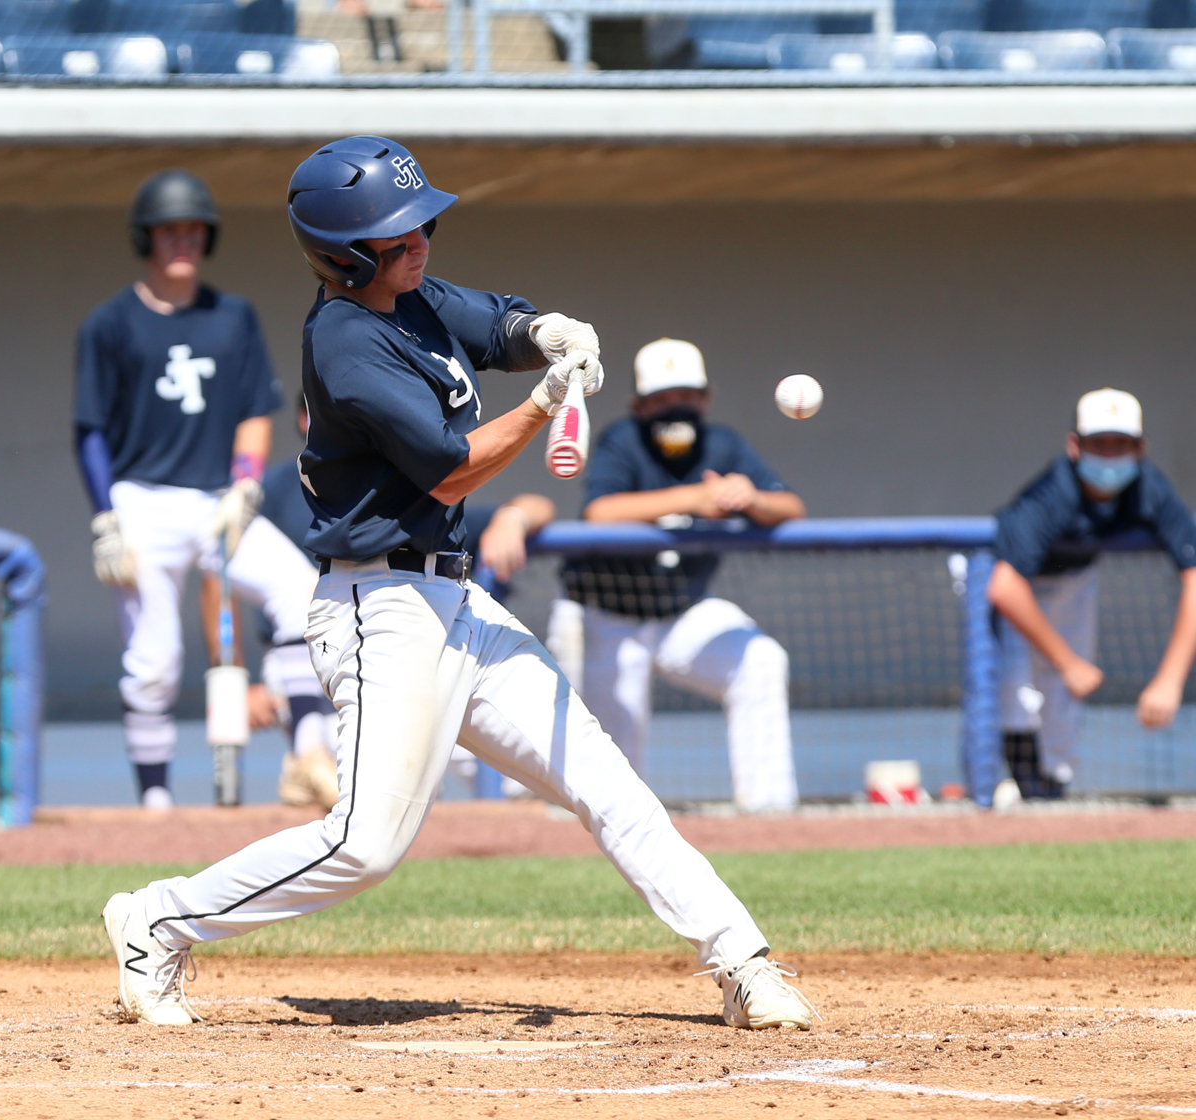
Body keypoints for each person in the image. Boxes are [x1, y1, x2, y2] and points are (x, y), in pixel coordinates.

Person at [102, 136, 818, 1033]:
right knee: (363, 849)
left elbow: (496, 325)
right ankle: (158, 920)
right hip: (380, 610)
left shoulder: (412, 295)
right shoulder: (345, 340)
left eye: (420, 225)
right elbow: (448, 471)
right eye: (397, 236)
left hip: (459, 606)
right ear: (344, 253)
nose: (419, 243)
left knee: (608, 784)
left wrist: (548, 334)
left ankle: (744, 961)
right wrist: (545, 404)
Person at [74, 169, 285, 808]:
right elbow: (89, 431)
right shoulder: (109, 323)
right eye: (170, 230)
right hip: (141, 500)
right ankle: (156, 802)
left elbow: (255, 410)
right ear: (147, 237)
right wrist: (105, 516)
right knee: (154, 658)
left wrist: (246, 485)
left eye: (194, 229)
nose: (183, 241)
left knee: (301, 596)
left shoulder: (234, 316)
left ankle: (308, 754)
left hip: (218, 498)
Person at [250, 392, 556, 810]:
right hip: (307, 655)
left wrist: (512, 517)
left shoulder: (399, 477)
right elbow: (226, 575)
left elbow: (537, 504)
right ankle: (308, 760)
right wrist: (234, 675)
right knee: (336, 784)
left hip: (403, 644)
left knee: (503, 787)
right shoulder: (276, 488)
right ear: (305, 420)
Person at [548, 338, 804, 813]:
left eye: (686, 396)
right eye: (663, 399)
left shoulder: (722, 443)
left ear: (704, 399)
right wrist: (692, 499)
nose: (676, 408)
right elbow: (600, 512)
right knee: (613, 764)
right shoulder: (623, 439)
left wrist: (749, 497)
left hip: (679, 611)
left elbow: (789, 507)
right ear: (640, 406)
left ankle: (770, 816)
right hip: (604, 615)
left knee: (760, 660)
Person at [988, 388, 1196, 799]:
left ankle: (1050, 794)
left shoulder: (1149, 486)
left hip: (1072, 578)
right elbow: (1005, 586)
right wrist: (1067, 663)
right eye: (1099, 443)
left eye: (1122, 444)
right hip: (1005, 581)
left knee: (1060, 706)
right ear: (1074, 445)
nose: (1111, 455)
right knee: (1015, 691)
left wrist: (1170, 681)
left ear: (1140, 449)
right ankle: (1005, 791)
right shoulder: (1054, 492)